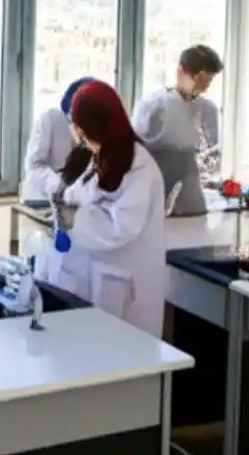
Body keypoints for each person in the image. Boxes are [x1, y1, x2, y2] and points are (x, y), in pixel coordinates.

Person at [45, 80, 166, 337]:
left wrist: (74, 219)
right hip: (100, 282)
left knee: (126, 360)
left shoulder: (138, 166)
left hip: (125, 289)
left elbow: (121, 228)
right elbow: (83, 194)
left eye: (81, 128)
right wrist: (65, 202)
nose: (78, 134)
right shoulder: (105, 155)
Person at [132, 45, 223, 215]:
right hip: (154, 173)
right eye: (199, 78)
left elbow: (212, 148)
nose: (203, 85)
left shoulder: (207, 109)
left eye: (209, 80)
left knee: (194, 222)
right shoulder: (152, 105)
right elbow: (134, 146)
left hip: (189, 176)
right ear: (181, 71)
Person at [21, 77, 94, 204]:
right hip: (42, 200)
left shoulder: (100, 130)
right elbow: (35, 167)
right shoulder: (50, 120)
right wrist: (60, 187)